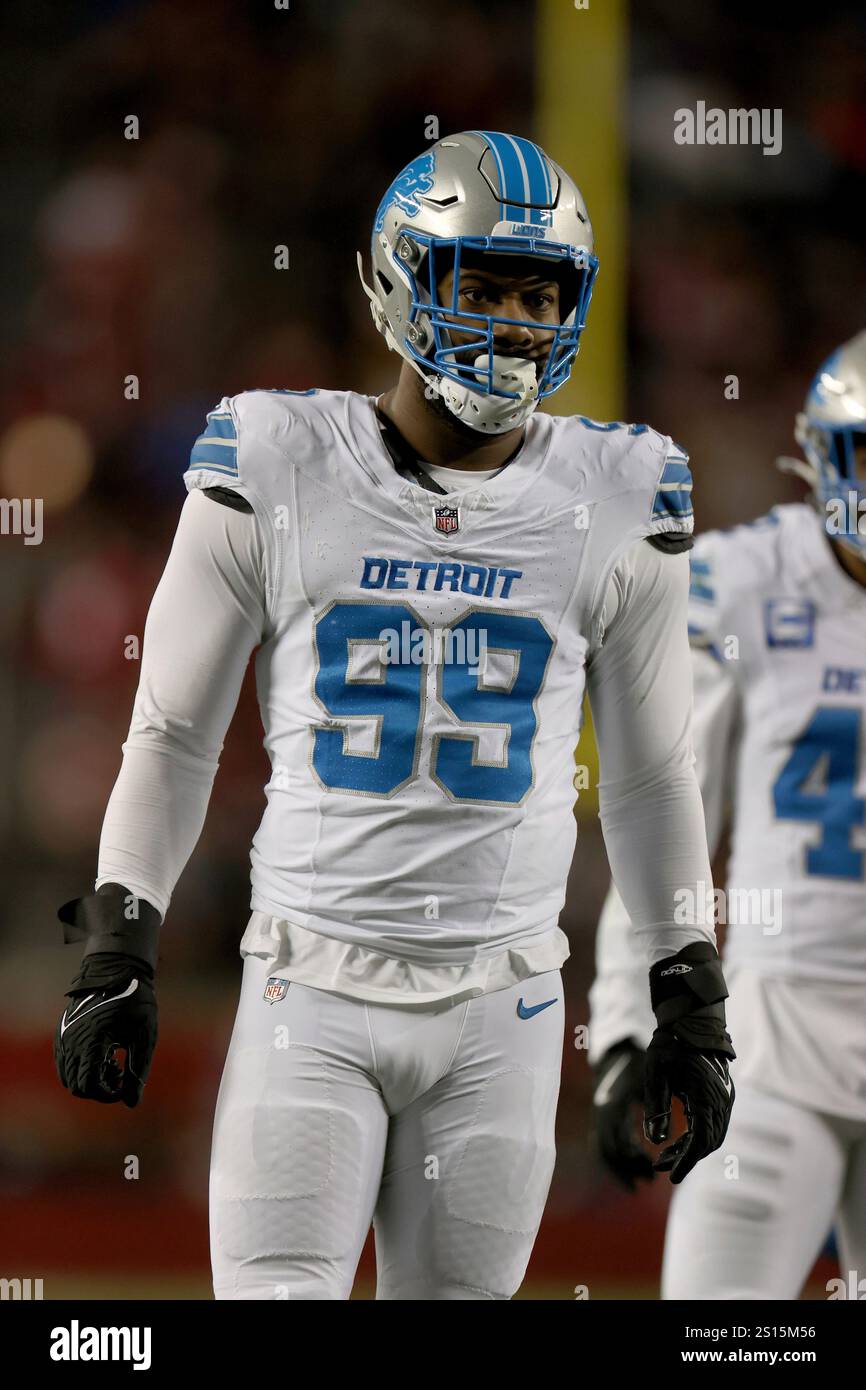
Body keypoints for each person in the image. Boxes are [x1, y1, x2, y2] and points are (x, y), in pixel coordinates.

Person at [54, 130, 734, 1301]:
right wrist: (120, 938)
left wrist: (688, 983)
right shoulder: (275, 457)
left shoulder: (619, 493)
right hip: (308, 983)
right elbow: (171, 731)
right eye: (482, 283)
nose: (516, 321)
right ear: (398, 281)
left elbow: (650, 774)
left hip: (504, 1000)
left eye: (540, 292)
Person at [589, 330, 866, 1299]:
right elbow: (661, 809)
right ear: (823, 454)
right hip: (773, 1030)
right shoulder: (743, 580)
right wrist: (628, 1026)